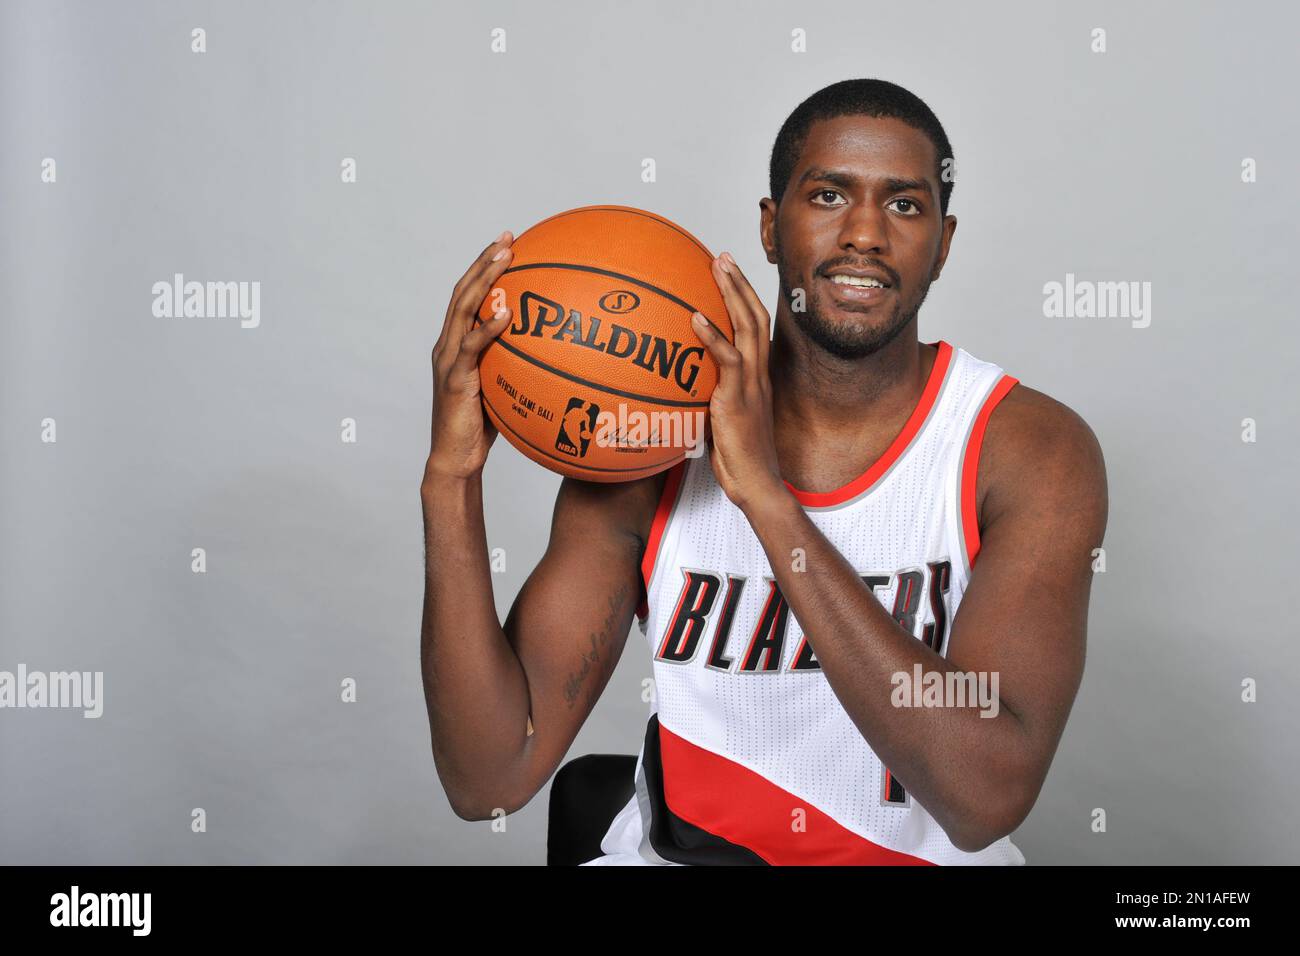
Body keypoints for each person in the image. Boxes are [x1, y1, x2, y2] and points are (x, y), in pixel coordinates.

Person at [420, 78, 1108, 865]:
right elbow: (488, 780)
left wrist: (765, 501)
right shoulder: (650, 440)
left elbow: (984, 798)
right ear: (771, 226)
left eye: (905, 206)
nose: (864, 234)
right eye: (827, 195)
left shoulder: (1025, 449)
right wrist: (450, 481)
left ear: (944, 244)